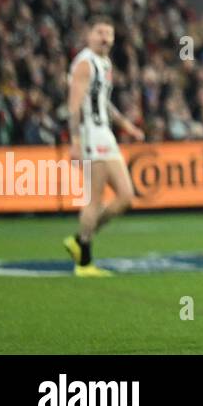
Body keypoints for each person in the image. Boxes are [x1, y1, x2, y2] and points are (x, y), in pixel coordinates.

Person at [62, 15, 145, 276]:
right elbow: (74, 106)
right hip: (89, 137)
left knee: (126, 197)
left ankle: (80, 239)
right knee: (94, 200)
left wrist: (126, 125)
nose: (106, 38)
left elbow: (103, 101)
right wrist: (75, 141)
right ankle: (84, 262)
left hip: (105, 134)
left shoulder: (104, 63)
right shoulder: (84, 64)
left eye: (109, 33)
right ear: (89, 35)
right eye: (100, 32)